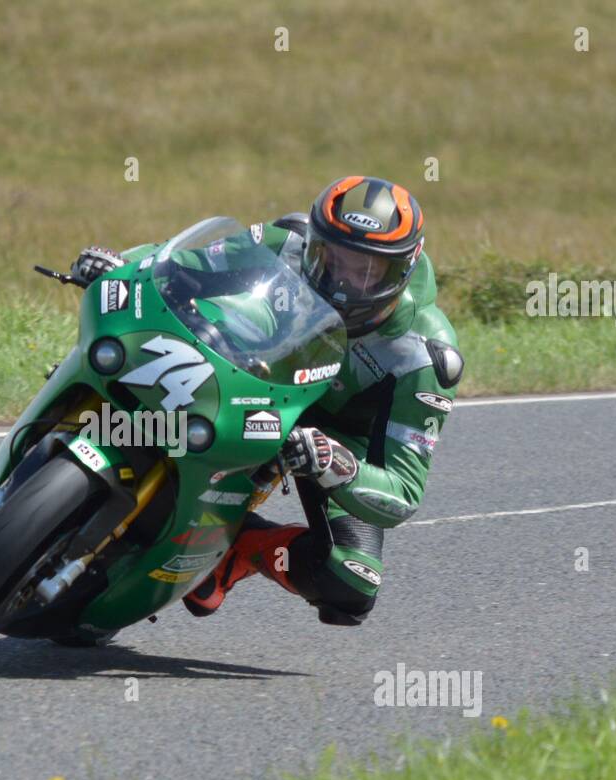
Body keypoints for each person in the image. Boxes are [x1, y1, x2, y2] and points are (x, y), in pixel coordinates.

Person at [70, 176, 463, 626]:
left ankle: (240, 550)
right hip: (261, 379)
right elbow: (180, 265)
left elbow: (404, 492)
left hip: (332, 438)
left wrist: (337, 464)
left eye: (366, 270)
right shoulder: (287, 243)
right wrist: (122, 264)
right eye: (332, 258)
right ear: (315, 241)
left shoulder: (425, 358)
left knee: (351, 582)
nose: (343, 282)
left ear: (401, 272)